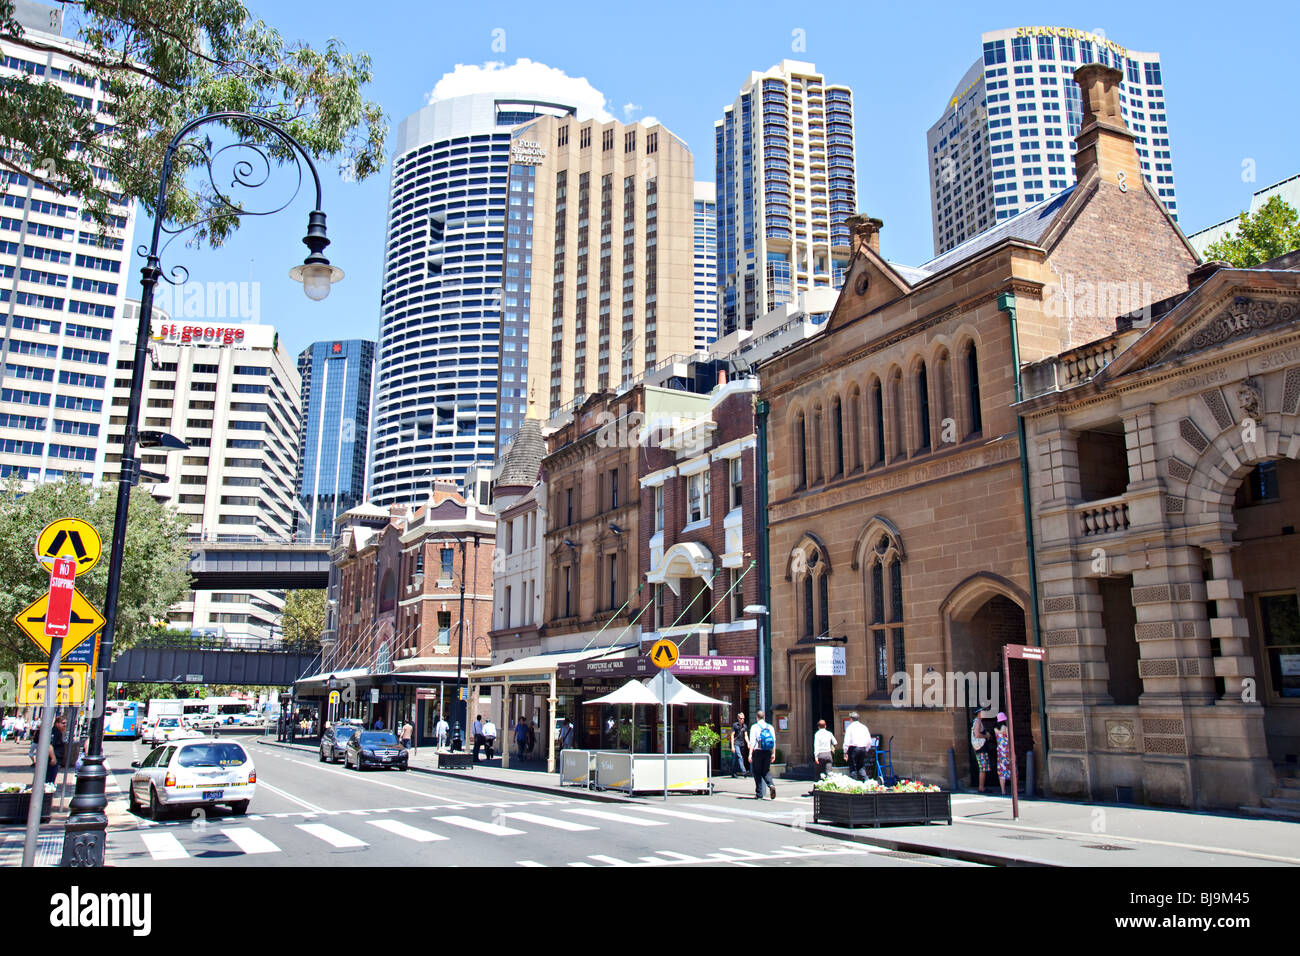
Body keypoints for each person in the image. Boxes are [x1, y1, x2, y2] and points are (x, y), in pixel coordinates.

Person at [748, 711, 777, 800]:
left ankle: (759, 794)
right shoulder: (770, 727)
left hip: (758, 752)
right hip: (767, 751)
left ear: (757, 717)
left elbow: (752, 742)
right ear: (764, 717)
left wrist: (750, 754)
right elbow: (774, 741)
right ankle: (771, 784)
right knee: (765, 771)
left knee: (757, 772)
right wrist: (773, 753)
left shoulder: (755, 727)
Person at [842, 712, 873, 782]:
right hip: (863, 748)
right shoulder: (864, 727)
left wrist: (845, 752)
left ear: (851, 719)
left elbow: (847, 741)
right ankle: (867, 782)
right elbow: (869, 741)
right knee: (861, 767)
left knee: (853, 767)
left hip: (853, 749)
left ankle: (855, 784)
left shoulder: (850, 728)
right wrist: (866, 749)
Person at [971, 709, 991, 793]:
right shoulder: (978, 722)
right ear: (979, 713)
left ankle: (982, 786)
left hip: (980, 747)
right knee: (983, 768)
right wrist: (986, 736)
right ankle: (981, 787)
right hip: (980, 747)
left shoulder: (977, 721)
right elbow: (977, 734)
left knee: (983, 767)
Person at [995, 713, 1013, 796]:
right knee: (1012, 769)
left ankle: (1003, 791)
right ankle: (1014, 789)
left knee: (1002, 771)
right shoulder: (1006, 728)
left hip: (1000, 751)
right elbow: (1010, 740)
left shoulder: (995, 729)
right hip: (1007, 750)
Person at [48, 715, 67, 785]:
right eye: (63, 723)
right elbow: (49, 745)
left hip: (57, 759)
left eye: (65, 723)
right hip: (52, 760)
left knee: (51, 779)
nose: (65, 725)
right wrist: (53, 758)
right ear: (57, 724)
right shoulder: (55, 732)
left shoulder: (59, 732)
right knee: (49, 780)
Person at [730, 711, 749, 778]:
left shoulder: (745, 726)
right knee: (740, 757)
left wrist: (748, 743)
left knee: (735, 758)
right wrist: (732, 746)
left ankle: (733, 772)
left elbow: (746, 735)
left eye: (743, 718)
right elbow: (732, 735)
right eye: (741, 718)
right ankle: (744, 772)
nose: (742, 720)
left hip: (742, 744)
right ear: (738, 718)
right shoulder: (735, 725)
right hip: (736, 743)